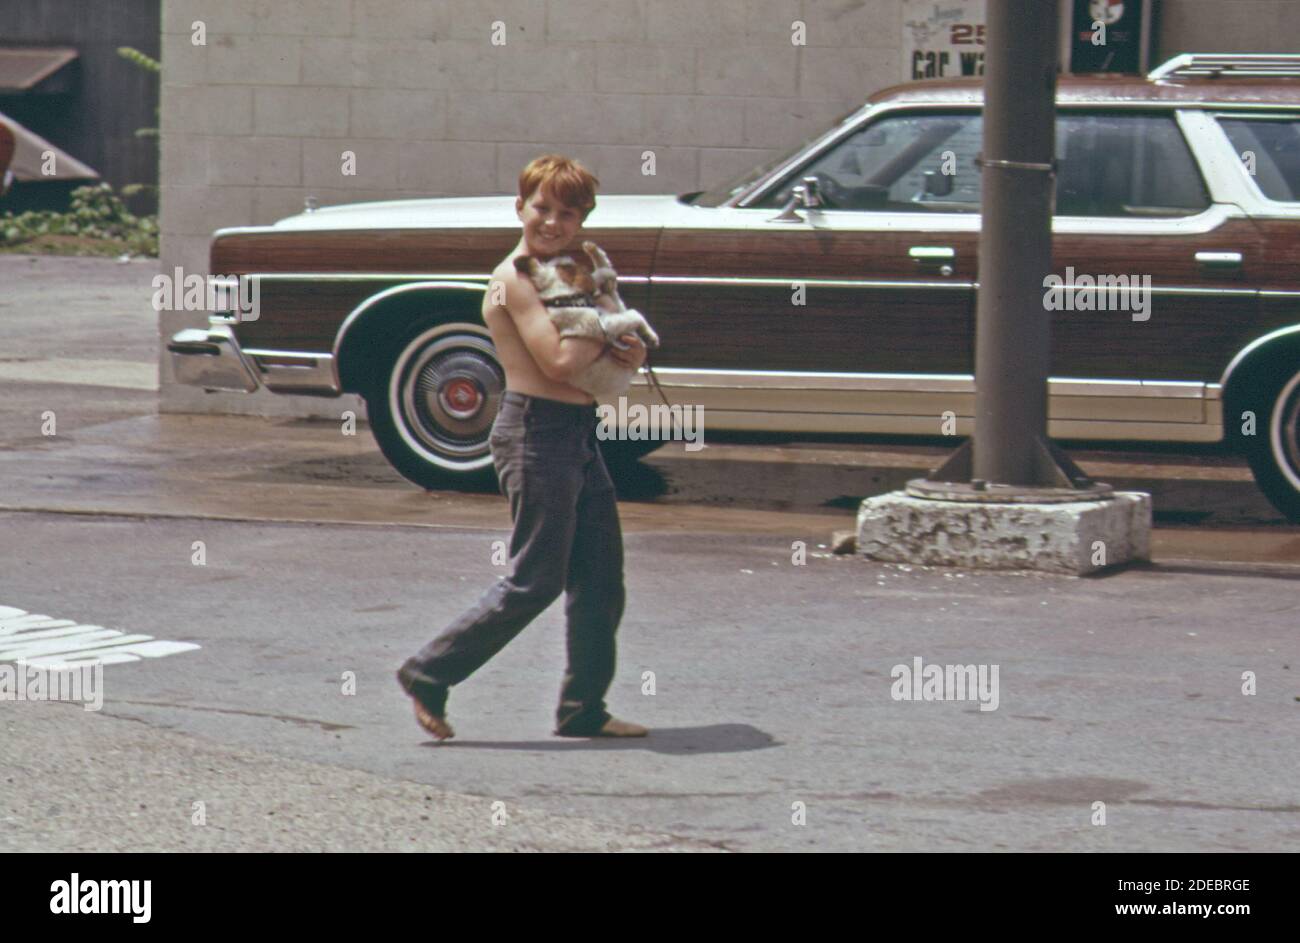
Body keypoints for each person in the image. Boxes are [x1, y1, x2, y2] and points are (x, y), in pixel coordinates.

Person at [396, 154, 648, 740]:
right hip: (534, 433)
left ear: (584, 219)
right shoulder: (514, 279)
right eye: (542, 208)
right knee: (537, 579)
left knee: (602, 580)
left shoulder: (570, 272)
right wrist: (609, 327)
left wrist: (625, 349)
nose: (552, 222)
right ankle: (429, 672)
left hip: (577, 435)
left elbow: (596, 347)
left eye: (567, 213)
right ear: (520, 207)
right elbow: (558, 361)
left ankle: (583, 710)